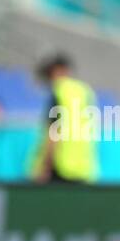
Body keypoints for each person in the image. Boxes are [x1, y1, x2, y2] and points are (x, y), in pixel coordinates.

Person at [32, 54, 97, 184]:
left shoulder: (58, 92)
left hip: (60, 169)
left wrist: (45, 167)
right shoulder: (84, 91)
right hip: (84, 168)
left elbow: (54, 133)